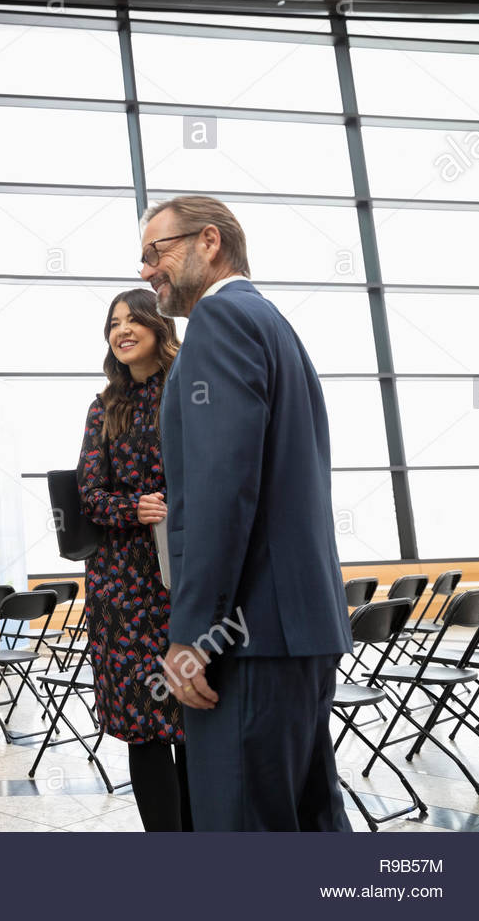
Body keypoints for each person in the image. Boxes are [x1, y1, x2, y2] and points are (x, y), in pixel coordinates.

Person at [142, 195, 353, 831]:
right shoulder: (269, 321)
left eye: (157, 252)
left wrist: (194, 634)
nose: (147, 269)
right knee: (310, 825)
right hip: (296, 627)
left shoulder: (219, 321)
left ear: (210, 241)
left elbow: (219, 489)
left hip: (246, 634)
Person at [77, 287, 190, 831]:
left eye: (132, 320)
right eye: (113, 323)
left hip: (184, 574)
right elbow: (89, 494)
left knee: (193, 714)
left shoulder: (190, 389)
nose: (121, 330)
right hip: (120, 583)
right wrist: (133, 506)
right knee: (142, 722)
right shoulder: (105, 405)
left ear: (157, 325)